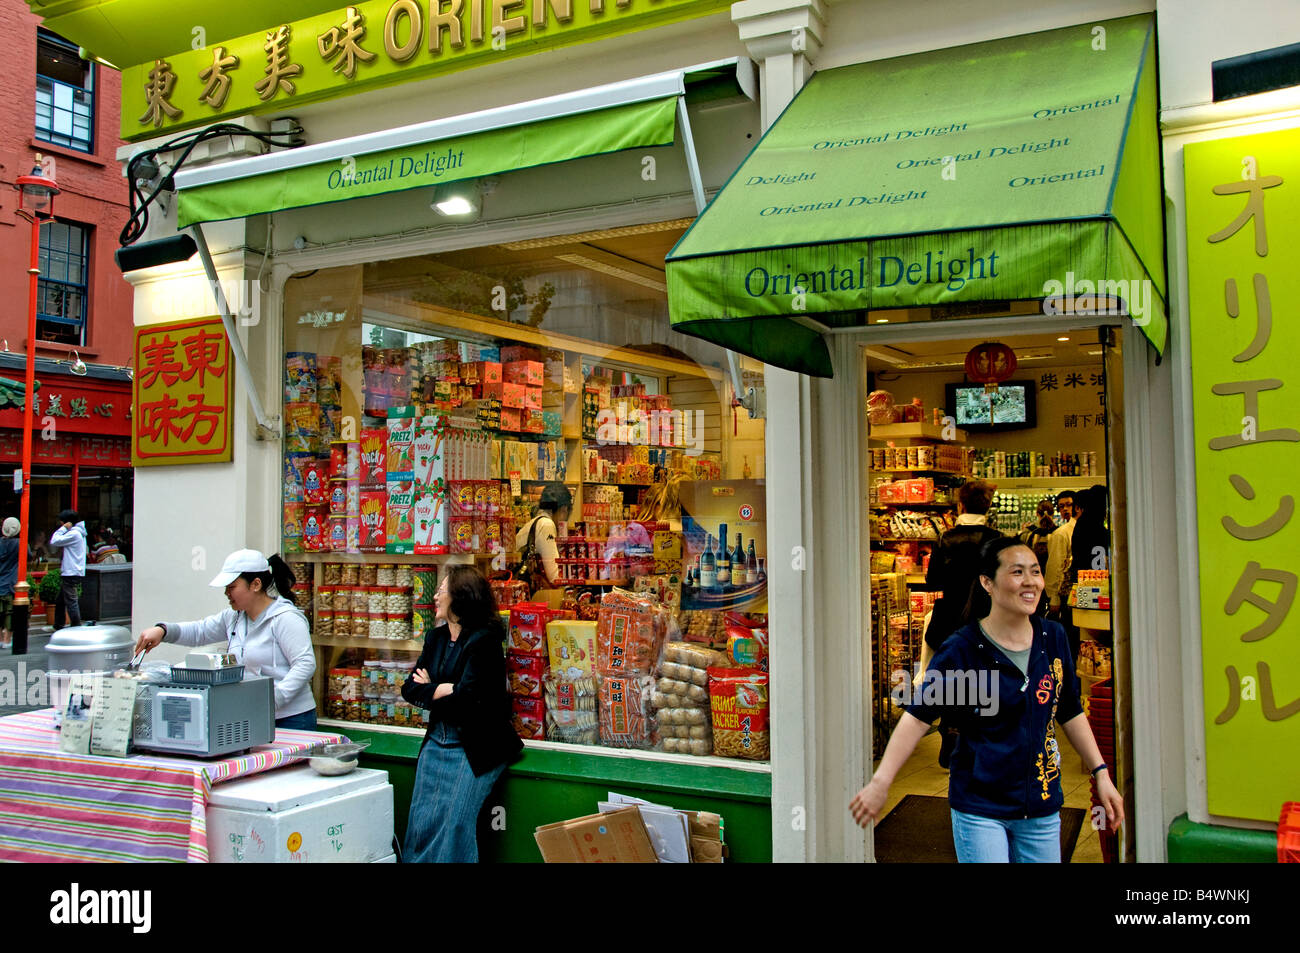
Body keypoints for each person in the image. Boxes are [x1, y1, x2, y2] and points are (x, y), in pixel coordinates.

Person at [851, 536, 1124, 862]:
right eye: (1016, 572)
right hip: (980, 807)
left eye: (1035, 572)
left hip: (1042, 803)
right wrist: (881, 782)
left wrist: (1101, 773)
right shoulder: (962, 649)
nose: (1031, 582)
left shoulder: (1053, 637)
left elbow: (1069, 710)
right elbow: (917, 717)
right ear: (987, 583)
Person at [401, 566, 522, 862]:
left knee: (455, 824)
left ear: (460, 598)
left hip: (475, 748)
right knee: (422, 820)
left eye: (442, 591)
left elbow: (469, 701)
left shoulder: (485, 641)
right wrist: (443, 690)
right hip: (437, 743)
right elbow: (409, 689)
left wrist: (432, 689)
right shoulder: (435, 638)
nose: (435, 596)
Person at [133, 549, 318, 729]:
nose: (227, 594)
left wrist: (275, 698)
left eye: (232, 587)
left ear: (255, 584)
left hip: (291, 718)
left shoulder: (285, 618)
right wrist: (163, 631)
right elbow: (200, 631)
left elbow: (305, 663)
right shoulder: (234, 617)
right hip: (252, 713)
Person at [923, 480, 1002, 652]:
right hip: (989, 622)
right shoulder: (999, 540)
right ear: (987, 507)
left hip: (950, 624)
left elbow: (933, 582)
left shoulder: (944, 539)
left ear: (961, 506)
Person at [1070, 485, 1111, 652]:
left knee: (1085, 642)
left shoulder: (1081, 525)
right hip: (1096, 593)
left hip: (1081, 590)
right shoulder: (1098, 529)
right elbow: (1098, 562)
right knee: (1095, 642)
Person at [514, 483, 571, 590]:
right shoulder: (546, 525)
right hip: (532, 595)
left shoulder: (534, 523)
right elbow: (554, 577)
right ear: (564, 509)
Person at [49, 510, 88, 629]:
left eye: (62, 522)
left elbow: (54, 541)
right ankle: (58, 624)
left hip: (71, 571)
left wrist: (63, 528)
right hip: (74, 570)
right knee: (60, 600)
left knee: (71, 600)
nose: (60, 524)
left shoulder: (74, 533)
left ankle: (76, 626)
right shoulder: (79, 533)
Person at [1020, 499, 1057, 615]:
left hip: (1032, 581)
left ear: (1037, 514)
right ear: (1053, 513)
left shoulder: (1028, 534)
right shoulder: (1058, 533)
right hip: (1052, 582)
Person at [0, 518, 19, 646]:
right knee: (9, 613)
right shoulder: (19, 544)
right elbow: (29, 556)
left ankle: (1, 639)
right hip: (11, 583)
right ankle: (7, 640)